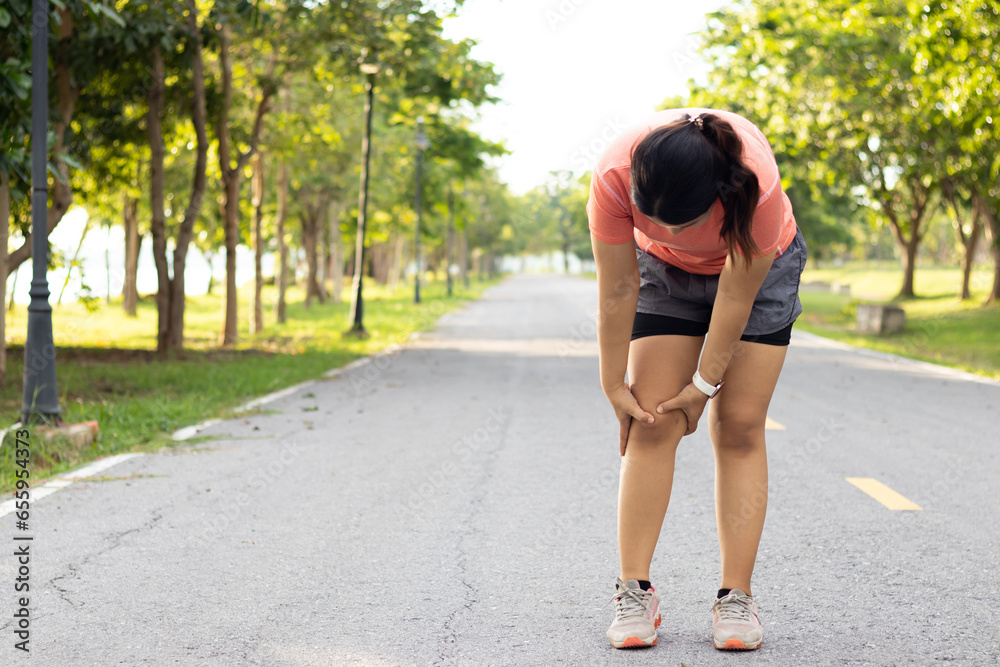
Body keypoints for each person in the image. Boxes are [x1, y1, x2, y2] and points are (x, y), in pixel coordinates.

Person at [587, 107, 806, 651]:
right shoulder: (612, 174)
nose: (668, 233)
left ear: (718, 195)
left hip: (758, 274)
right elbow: (618, 287)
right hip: (665, 275)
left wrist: (704, 387)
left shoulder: (755, 185)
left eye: (682, 224)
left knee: (739, 427)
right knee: (651, 421)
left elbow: (734, 296)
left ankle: (736, 597)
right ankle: (634, 591)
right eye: (653, 221)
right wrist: (613, 384)